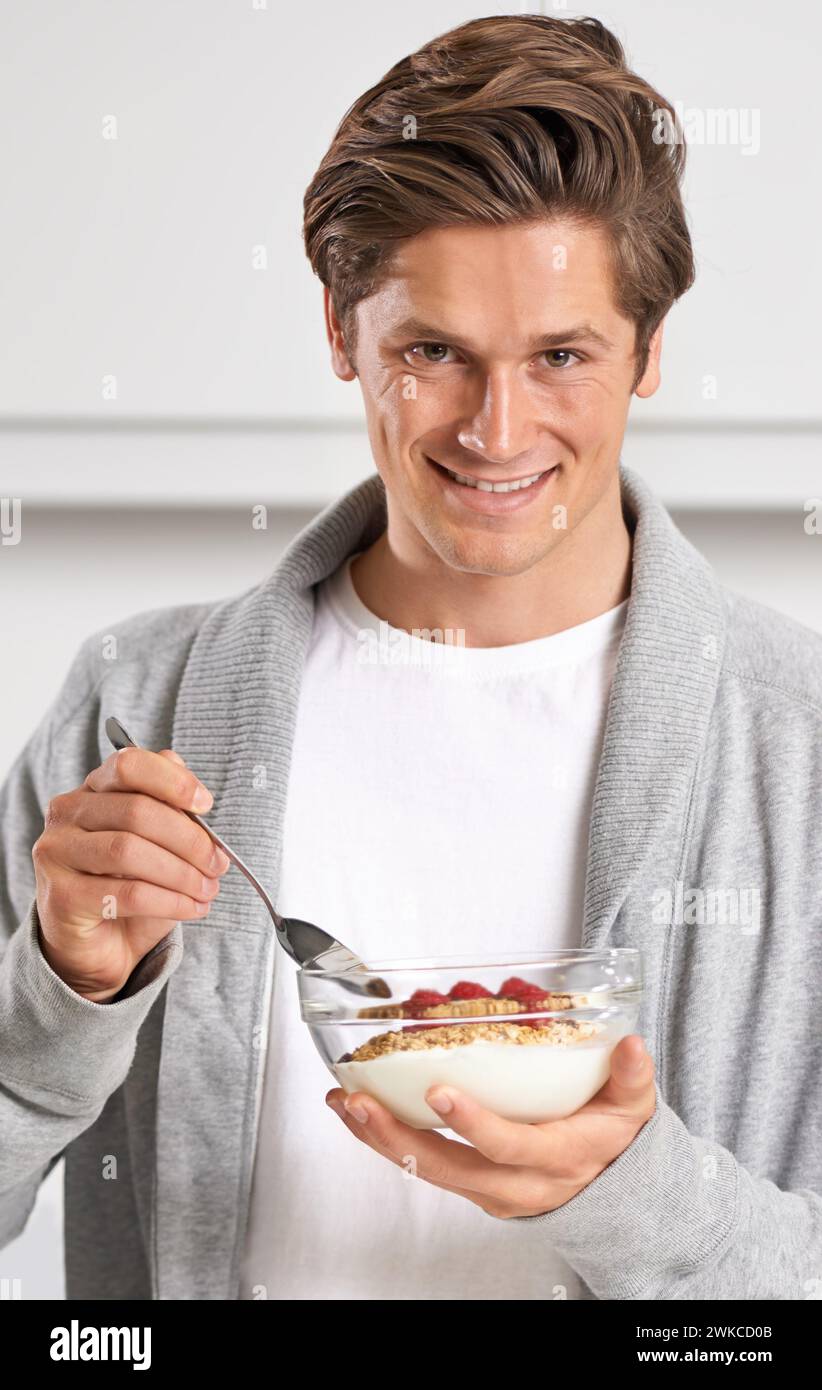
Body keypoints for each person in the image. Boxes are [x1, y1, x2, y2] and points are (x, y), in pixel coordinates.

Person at [1, 13, 821, 1302]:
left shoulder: (802, 748)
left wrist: (634, 1199)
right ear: (341, 332)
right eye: (433, 352)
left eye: (561, 356)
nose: (498, 433)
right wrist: (58, 1000)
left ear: (651, 351)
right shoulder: (132, 712)